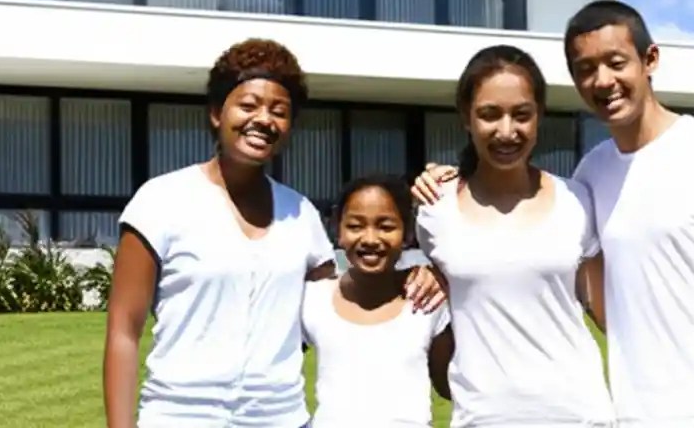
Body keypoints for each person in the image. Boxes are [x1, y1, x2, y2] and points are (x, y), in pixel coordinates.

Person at [417, 0, 694, 428]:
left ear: (649, 59)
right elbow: (521, 249)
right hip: (637, 413)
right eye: (585, 69)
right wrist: (440, 259)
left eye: (616, 63)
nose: (603, 81)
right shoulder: (589, 178)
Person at [103, 37, 446, 428]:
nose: (263, 119)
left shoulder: (300, 215)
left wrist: (419, 275)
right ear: (217, 113)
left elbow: (342, 306)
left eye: (279, 111)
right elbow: (123, 332)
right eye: (248, 105)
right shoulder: (161, 201)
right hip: (180, 416)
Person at [413, 44, 615, 427]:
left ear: (539, 117)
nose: (507, 131)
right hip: (483, 417)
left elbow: (610, 314)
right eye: (490, 115)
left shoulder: (577, 200)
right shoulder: (435, 208)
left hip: (577, 415)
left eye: (521, 115)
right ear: (466, 118)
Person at [301, 174, 453, 428]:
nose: (370, 239)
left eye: (386, 226)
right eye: (356, 226)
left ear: (406, 234)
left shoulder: (427, 302)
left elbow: (452, 386)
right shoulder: (311, 300)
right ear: (338, 231)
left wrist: (446, 275)